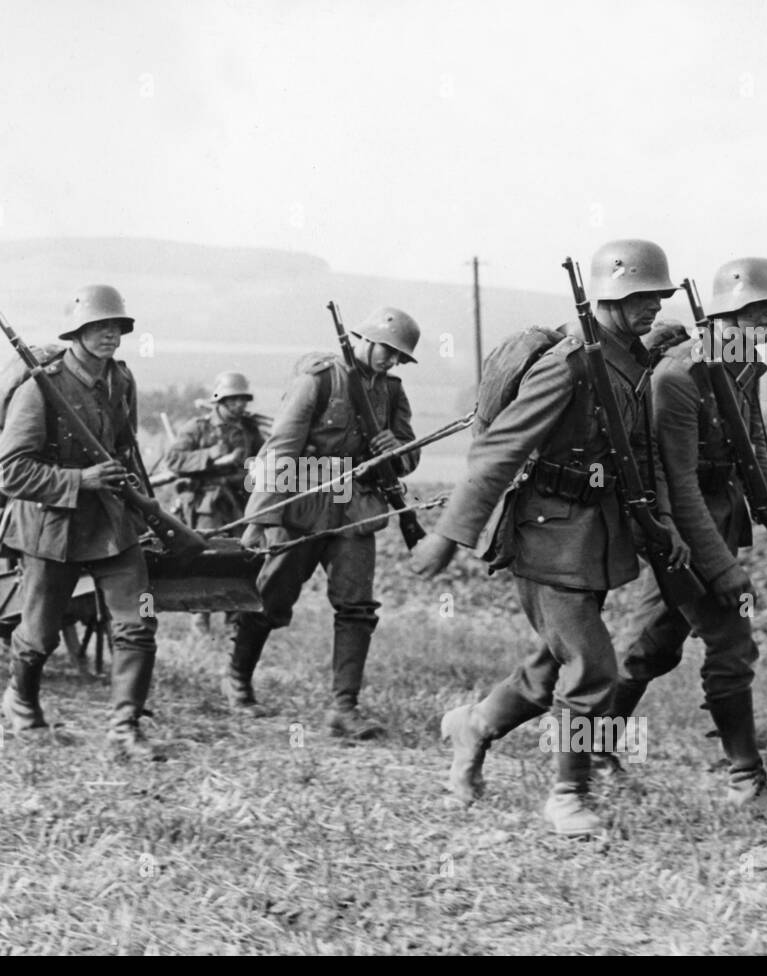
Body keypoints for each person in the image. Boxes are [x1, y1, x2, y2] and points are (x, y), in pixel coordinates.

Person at [411, 239, 689, 837]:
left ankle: (474, 727)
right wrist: (447, 536)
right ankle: (568, 795)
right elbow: (498, 451)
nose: (652, 309)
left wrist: (661, 523)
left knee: (546, 673)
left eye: (657, 298)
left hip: (597, 538)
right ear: (611, 296)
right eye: (641, 297)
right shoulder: (569, 363)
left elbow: (643, 455)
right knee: (593, 667)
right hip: (547, 537)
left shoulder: (633, 364)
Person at [604, 257, 767, 806]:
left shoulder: (742, 363)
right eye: (759, 313)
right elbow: (677, 480)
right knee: (733, 642)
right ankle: (746, 777)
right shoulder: (680, 375)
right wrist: (723, 569)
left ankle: (594, 749)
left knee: (654, 646)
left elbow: (753, 436)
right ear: (727, 311)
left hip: (719, 513)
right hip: (680, 526)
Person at [223, 307, 421, 735]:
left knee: (356, 607)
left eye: (400, 357)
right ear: (365, 340)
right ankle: (237, 678)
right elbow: (281, 449)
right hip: (302, 503)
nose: (392, 361)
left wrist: (397, 450)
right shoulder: (318, 380)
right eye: (388, 351)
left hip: (355, 510)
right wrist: (260, 516)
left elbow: (409, 455)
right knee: (271, 598)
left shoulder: (392, 392)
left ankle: (343, 709)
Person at [0, 284, 158, 757]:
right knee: (39, 632)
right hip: (52, 527)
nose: (110, 335)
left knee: (139, 620)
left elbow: (126, 449)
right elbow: (6, 471)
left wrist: (146, 505)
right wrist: (79, 479)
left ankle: (125, 727)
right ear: (77, 332)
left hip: (113, 523)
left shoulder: (120, 381)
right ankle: (20, 702)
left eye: (116, 326)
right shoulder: (42, 387)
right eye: (98, 327)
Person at [163, 371, 267, 633]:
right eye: (234, 400)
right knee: (207, 556)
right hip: (207, 502)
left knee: (243, 556)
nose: (240, 405)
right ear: (220, 401)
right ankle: (201, 616)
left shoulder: (249, 430)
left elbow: (264, 457)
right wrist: (212, 455)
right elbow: (174, 460)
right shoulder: (198, 428)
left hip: (241, 501)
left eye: (243, 399)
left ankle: (235, 618)